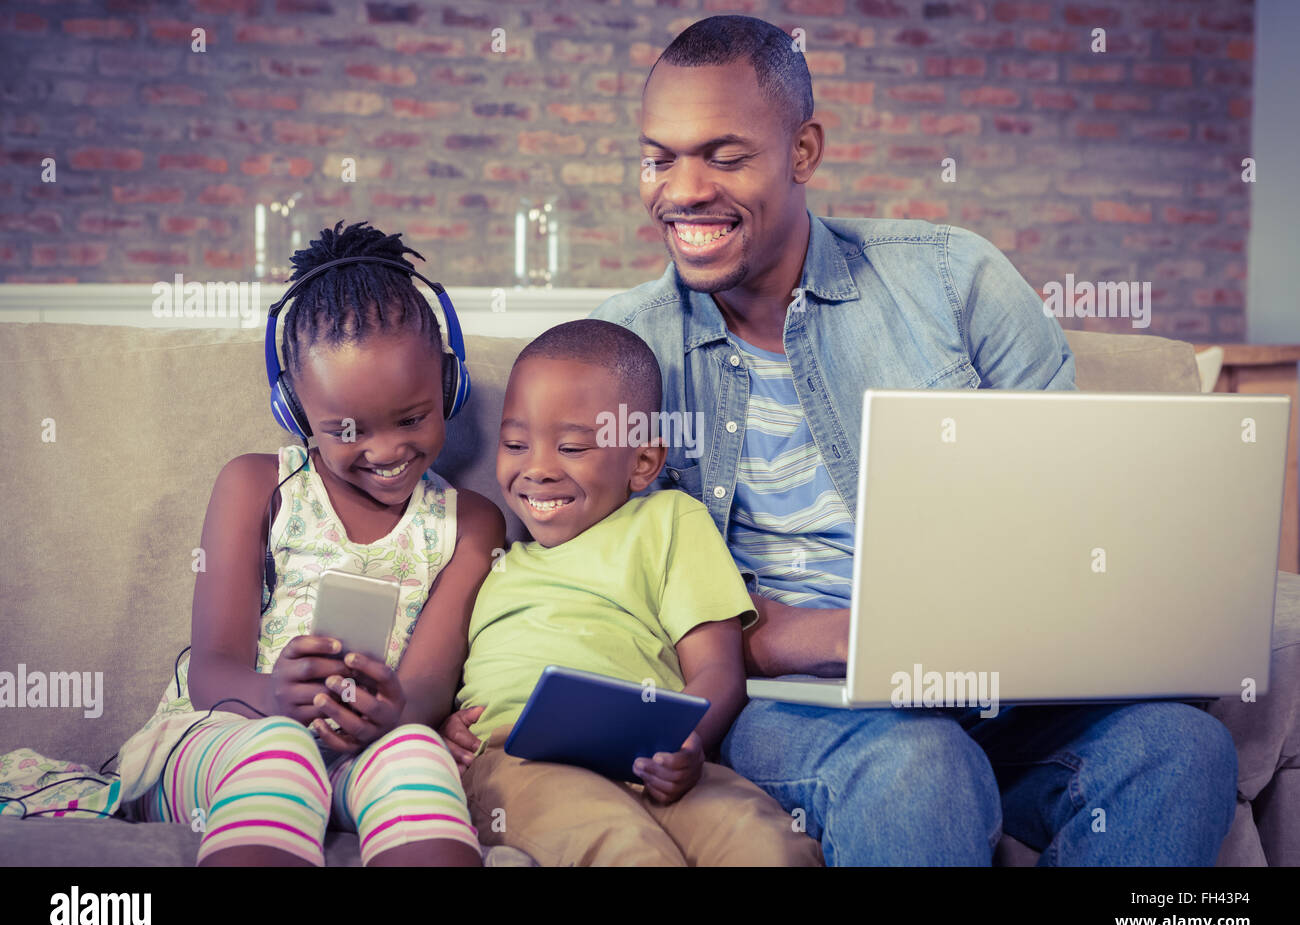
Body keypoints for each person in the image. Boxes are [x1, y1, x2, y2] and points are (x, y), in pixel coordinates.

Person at [577, 15, 1237, 865]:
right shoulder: (617, 353)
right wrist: (792, 643)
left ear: (804, 152)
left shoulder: (953, 281)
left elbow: (1077, 516)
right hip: (797, 712)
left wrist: (849, 628)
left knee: (1183, 749)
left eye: (725, 155)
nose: (684, 189)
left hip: (997, 687)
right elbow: (605, 596)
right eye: (659, 157)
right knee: (922, 765)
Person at [113, 221, 501, 867]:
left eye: (412, 418)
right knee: (281, 752)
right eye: (347, 430)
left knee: (417, 753)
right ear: (294, 409)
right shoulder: (255, 485)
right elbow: (213, 670)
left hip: (369, 746)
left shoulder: (471, 524)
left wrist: (393, 711)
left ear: (449, 384)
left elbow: (429, 685)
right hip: (225, 737)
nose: (387, 451)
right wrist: (275, 698)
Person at [437, 319, 823, 866]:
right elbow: (438, 671)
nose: (538, 469)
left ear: (642, 461)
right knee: (625, 849)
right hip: (520, 756)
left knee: (766, 845)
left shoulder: (669, 521)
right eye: (515, 443)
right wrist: (445, 726)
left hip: (652, 753)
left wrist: (689, 740)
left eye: (571, 447)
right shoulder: (489, 556)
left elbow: (717, 670)